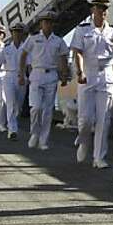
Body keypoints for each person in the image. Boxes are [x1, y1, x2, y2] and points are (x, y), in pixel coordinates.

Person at [70, 0, 113, 169]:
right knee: (86, 119)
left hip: (106, 75)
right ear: (92, 10)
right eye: (99, 8)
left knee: (104, 119)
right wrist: (80, 72)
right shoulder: (82, 30)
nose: (103, 11)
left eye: (105, 8)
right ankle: (83, 140)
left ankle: (99, 157)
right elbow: (78, 53)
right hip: (88, 75)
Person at [19, 12, 69, 150]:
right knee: (36, 108)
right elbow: (23, 55)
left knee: (48, 110)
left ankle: (43, 140)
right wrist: (22, 74)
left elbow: (63, 57)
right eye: (45, 22)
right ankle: (34, 133)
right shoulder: (33, 39)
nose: (48, 24)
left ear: (53, 24)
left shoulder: (58, 41)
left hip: (51, 75)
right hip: (36, 73)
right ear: (41, 24)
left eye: (50, 22)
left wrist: (64, 75)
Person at [0, 23, 26, 140]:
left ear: (22, 34)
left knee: (18, 106)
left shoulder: (26, 48)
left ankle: (12, 124)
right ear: (12, 33)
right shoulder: (6, 49)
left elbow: (29, 65)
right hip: (8, 76)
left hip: (21, 77)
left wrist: (27, 77)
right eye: (15, 31)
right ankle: (12, 129)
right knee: (10, 103)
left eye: (19, 31)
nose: (17, 34)